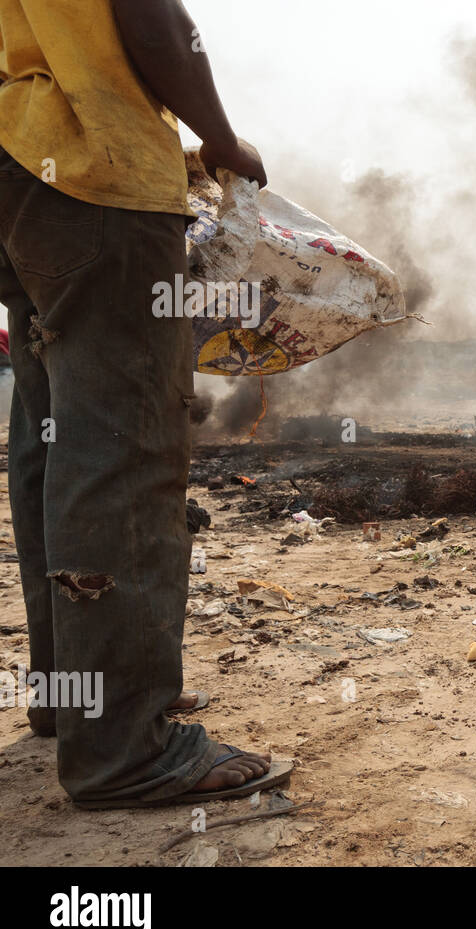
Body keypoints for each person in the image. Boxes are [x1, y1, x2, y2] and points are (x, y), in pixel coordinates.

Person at [0, 0, 291, 807]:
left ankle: (75, 696)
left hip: (19, 167)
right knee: (122, 444)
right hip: (97, 170)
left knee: (52, 434)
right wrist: (222, 139)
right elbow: (152, 17)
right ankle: (125, 747)